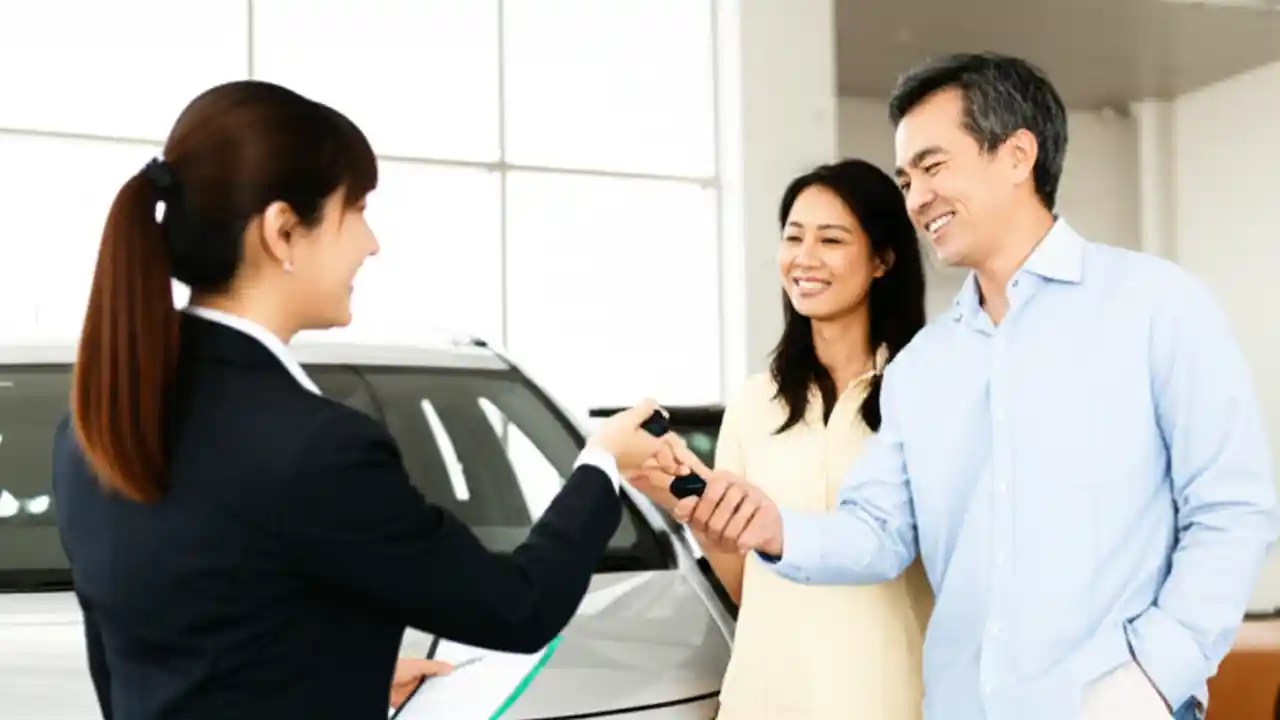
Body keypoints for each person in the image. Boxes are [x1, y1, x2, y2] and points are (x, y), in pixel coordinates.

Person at [51, 79, 688, 720]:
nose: (371, 242)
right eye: (355, 209)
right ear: (283, 232)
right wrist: (602, 464)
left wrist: (338, 676)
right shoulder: (314, 448)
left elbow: (155, 665)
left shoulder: (92, 432)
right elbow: (517, 606)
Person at [677, 53, 1277, 720]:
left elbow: (1233, 507)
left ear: (1018, 154)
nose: (916, 198)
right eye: (906, 179)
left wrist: (1156, 677)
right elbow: (879, 532)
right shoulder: (923, 366)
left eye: (933, 167)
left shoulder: (1156, 306)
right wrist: (775, 527)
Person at [627, 159, 934, 718]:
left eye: (832, 239)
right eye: (794, 237)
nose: (805, 258)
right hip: (766, 699)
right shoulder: (754, 401)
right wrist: (699, 517)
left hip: (892, 699)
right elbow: (747, 588)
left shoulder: (927, 392)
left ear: (883, 259)